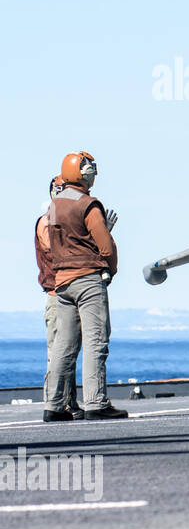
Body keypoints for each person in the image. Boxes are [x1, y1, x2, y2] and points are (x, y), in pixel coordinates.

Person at [45, 152, 127, 420]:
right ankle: (96, 403)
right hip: (88, 280)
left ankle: (54, 406)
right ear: (80, 172)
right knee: (96, 342)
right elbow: (104, 245)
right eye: (89, 168)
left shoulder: (54, 206)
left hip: (62, 283)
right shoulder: (88, 204)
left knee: (63, 345)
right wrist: (110, 270)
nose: (93, 172)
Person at [36, 175, 83, 421]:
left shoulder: (58, 222)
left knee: (69, 351)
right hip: (56, 294)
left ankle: (69, 402)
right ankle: (54, 403)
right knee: (58, 352)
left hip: (65, 292)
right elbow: (55, 252)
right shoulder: (47, 222)